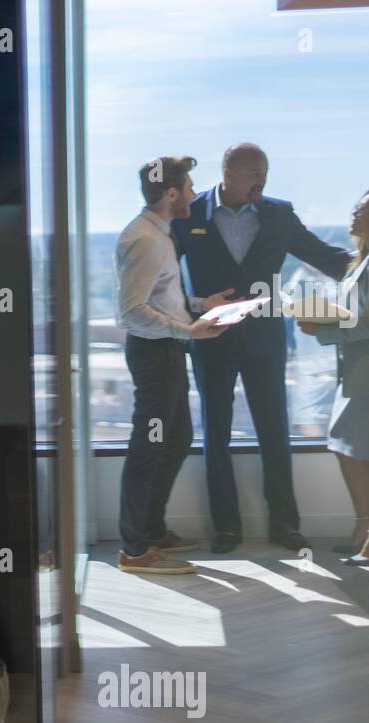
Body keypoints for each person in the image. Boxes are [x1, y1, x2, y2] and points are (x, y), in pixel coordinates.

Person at [173, 143, 353, 553]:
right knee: (215, 434)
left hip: (264, 337)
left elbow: (321, 254)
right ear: (227, 172)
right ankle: (226, 527)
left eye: (265, 171)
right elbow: (167, 275)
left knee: (274, 430)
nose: (262, 178)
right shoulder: (190, 213)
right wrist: (188, 311)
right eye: (254, 171)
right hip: (210, 336)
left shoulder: (278, 213)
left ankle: (285, 524)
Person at [115, 157, 231, 574]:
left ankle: (150, 529)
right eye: (189, 186)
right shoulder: (145, 240)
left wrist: (201, 306)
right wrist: (191, 332)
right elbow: (131, 312)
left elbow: (161, 299)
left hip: (166, 352)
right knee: (148, 448)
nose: (195, 193)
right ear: (171, 194)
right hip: (154, 356)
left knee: (177, 438)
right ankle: (134, 549)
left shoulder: (161, 235)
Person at [298, 189, 369, 566]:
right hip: (359, 369)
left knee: (368, 453)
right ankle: (367, 526)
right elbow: (358, 314)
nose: (353, 214)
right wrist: (324, 316)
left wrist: (324, 330)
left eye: (362, 210)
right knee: (343, 444)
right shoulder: (365, 261)